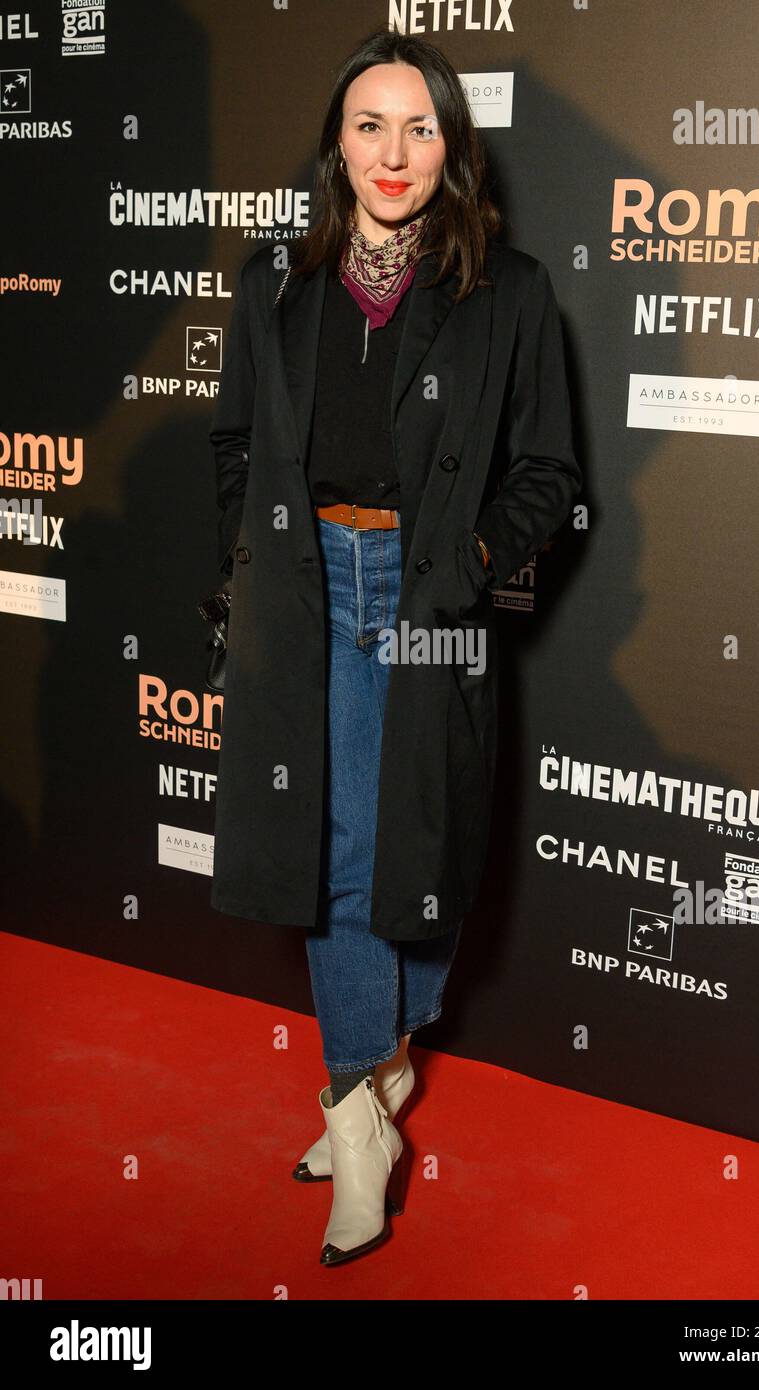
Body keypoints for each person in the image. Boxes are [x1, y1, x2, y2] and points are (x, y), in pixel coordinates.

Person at [209, 25, 582, 1268]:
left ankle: (365, 1090)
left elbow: (547, 476)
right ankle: (367, 1103)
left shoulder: (508, 291)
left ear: (450, 147)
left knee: (390, 840)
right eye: (370, 124)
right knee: (333, 842)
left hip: (416, 598)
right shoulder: (273, 279)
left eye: (420, 126)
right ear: (335, 143)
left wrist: (472, 563)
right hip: (301, 586)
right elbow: (231, 449)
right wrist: (249, 567)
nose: (393, 150)